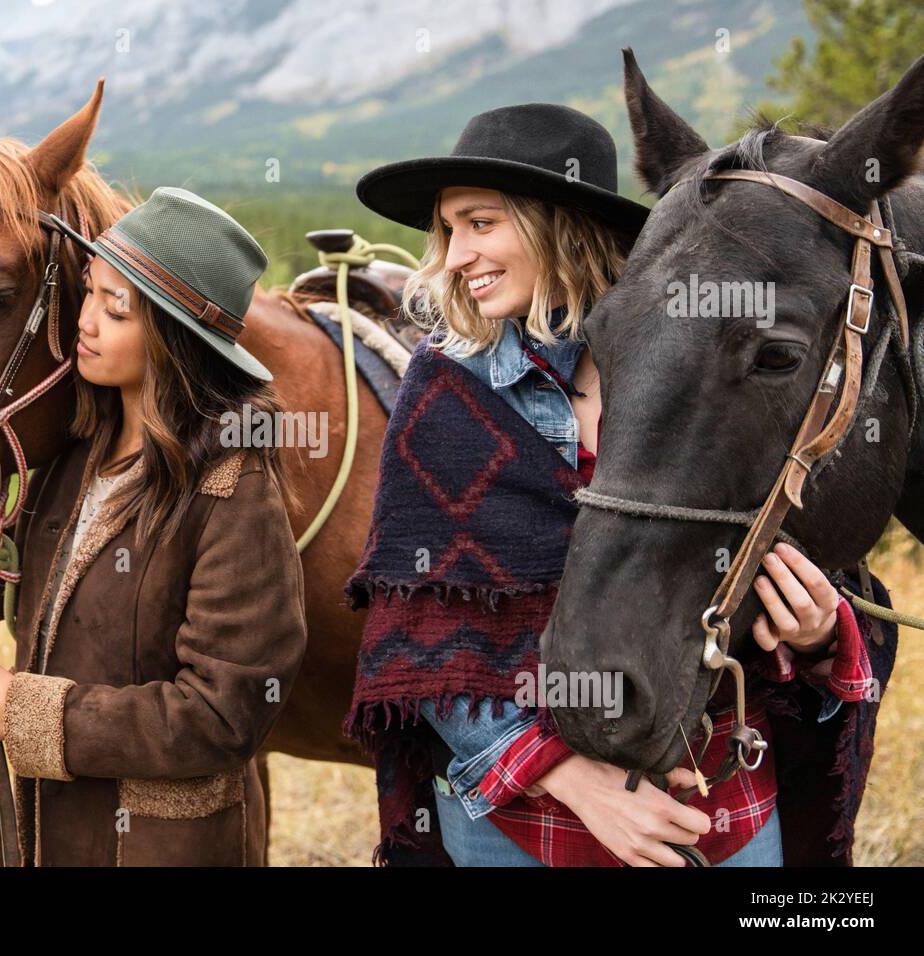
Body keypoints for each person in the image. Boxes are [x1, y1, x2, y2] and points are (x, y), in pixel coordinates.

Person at [343, 103, 884, 866]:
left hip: (719, 808)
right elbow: (424, 641)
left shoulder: (709, 368)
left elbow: (779, 569)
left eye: (481, 223)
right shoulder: (446, 390)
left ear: (556, 221)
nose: (456, 255)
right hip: (520, 824)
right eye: (448, 230)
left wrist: (821, 636)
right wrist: (572, 778)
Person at [0, 187, 307, 866]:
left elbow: (224, 714)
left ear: (175, 338)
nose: (88, 322)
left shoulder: (234, 492)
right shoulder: (74, 458)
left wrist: (22, 710)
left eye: (118, 308)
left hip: (169, 848)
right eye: (89, 293)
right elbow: (30, 591)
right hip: (59, 833)